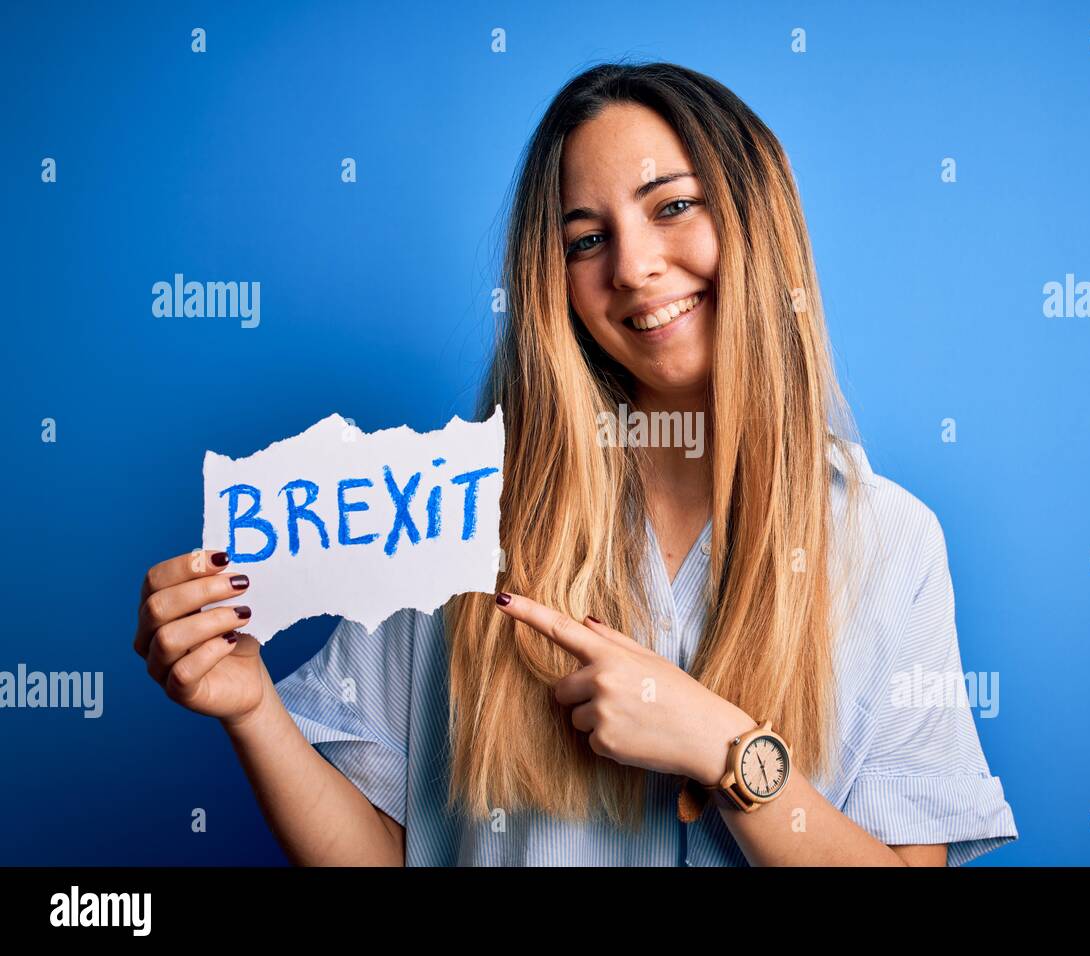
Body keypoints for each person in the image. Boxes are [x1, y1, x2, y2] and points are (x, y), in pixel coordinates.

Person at [133, 61, 1018, 866]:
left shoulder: (890, 543)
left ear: (757, 219)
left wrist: (721, 748)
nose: (633, 267)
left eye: (672, 206)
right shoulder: (454, 517)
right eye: (586, 240)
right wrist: (251, 710)